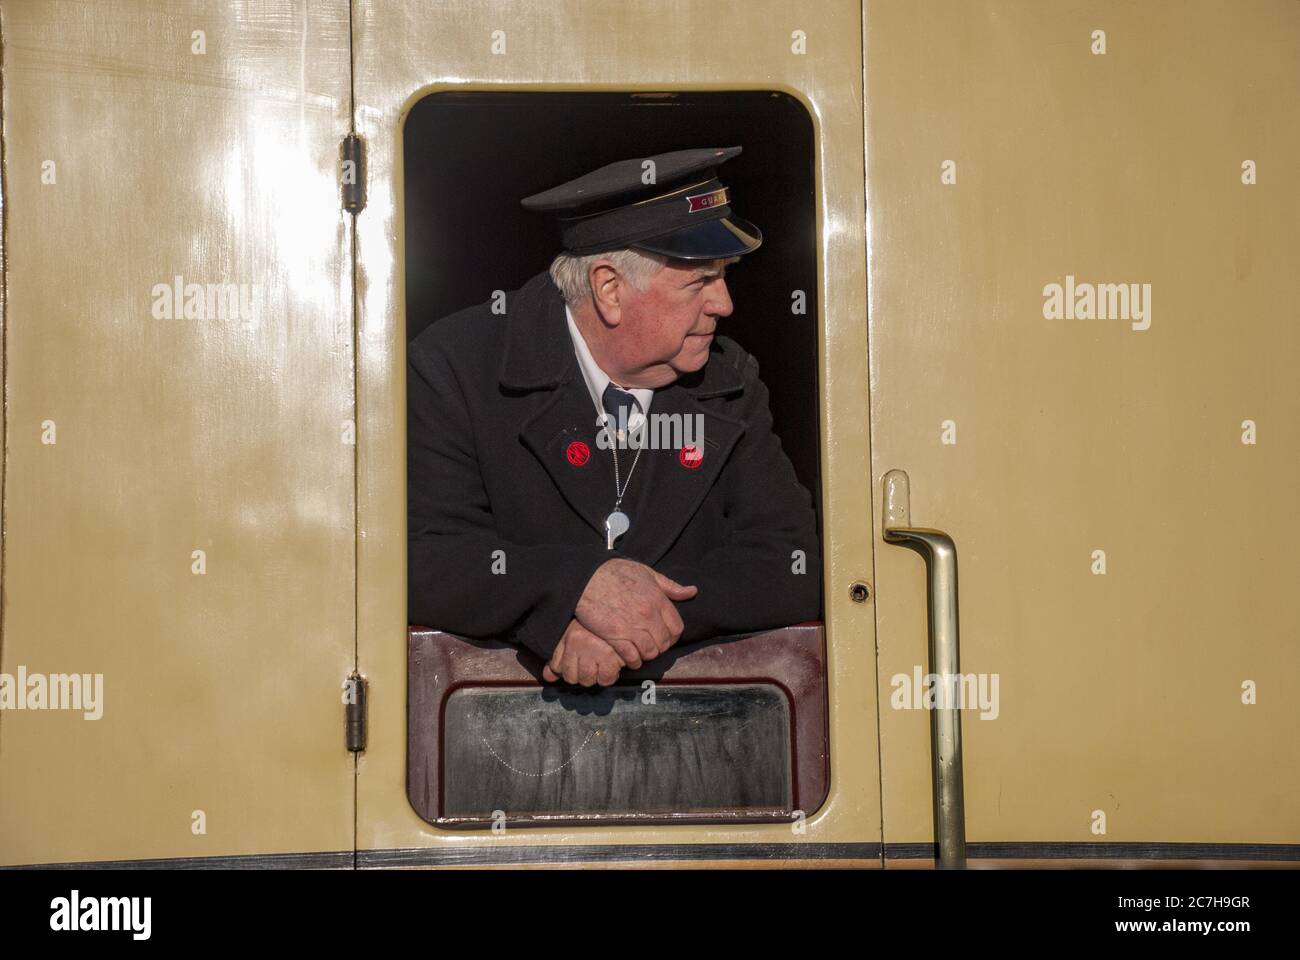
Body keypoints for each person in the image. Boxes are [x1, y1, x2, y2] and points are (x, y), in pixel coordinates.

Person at [408, 146, 820, 687]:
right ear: (609, 290)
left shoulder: (730, 380)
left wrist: (628, 621)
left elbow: (795, 560)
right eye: (700, 282)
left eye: (725, 277)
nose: (725, 304)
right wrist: (565, 595)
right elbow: (422, 555)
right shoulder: (456, 367)